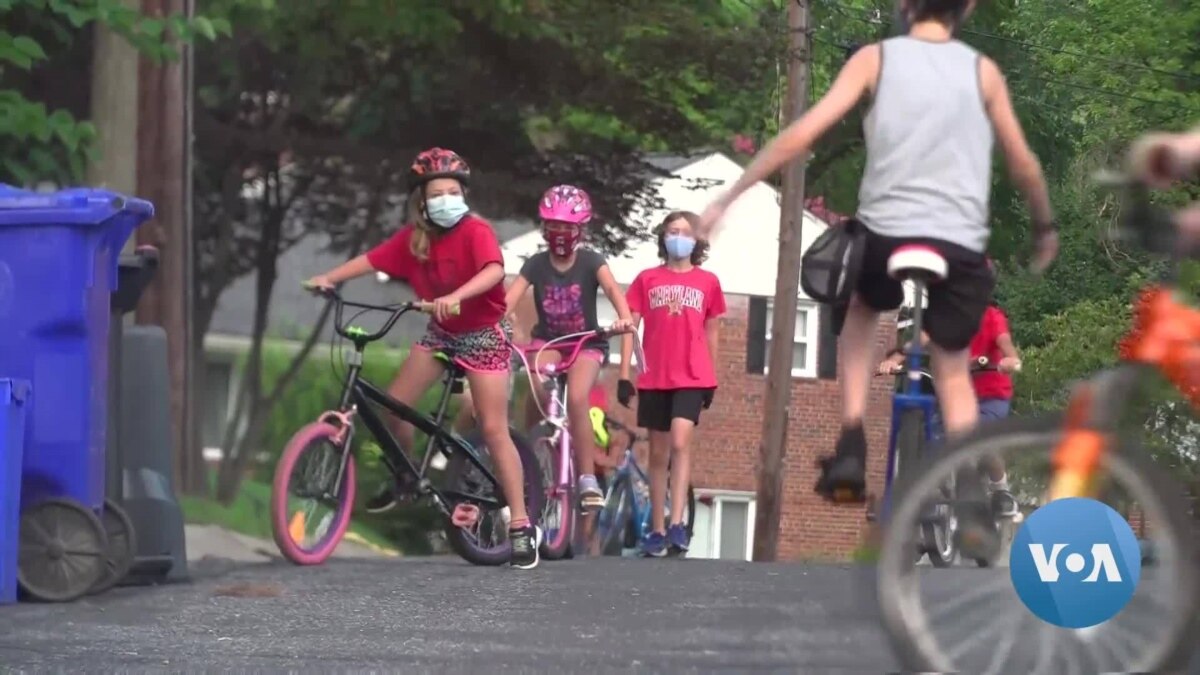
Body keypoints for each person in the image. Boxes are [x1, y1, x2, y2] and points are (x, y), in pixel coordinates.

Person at [697, 0, 1056, 502]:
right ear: (967, 8)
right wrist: (1045, 226)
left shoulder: (876, 58)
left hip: (887, 234)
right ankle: (971, 487)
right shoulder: (984, 72)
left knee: (863, 309)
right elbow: (1023, 163)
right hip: (958, 242)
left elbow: (801, 134)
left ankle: (850, 438)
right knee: (952, 363)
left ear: (905, 6)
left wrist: (726, 200)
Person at [305, 147, 541, 570]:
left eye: (455, 191)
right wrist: (329, 278)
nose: (448, 198)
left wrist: (455, 296)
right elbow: (370, 259)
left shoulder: (476, 231)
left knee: (492, 427)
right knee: (395, 408)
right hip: (442, 334)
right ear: (422, 202)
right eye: (438, 193)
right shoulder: (414, 241)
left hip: (484, 335)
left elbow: (492, 270)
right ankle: (407, 475)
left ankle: (521, 524)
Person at [504, 185, 634, 510]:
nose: (559, 232)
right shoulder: (535, 264)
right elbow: (507, 302)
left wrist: (623, 319)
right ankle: (529, 452)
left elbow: (618, 298)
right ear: (544, 227)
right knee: (535, 385)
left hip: (586, 343)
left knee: (577, 397)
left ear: (580, 228)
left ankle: (587, 479)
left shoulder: (592, 261)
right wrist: (495, 322)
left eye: (566, 226)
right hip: (548, 341)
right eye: (553, 225)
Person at [618, 211, 725, 557]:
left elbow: (712, 332)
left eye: (684, 232)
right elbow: (629, 327)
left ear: (696, 241)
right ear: (663, 238)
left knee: (681, 441)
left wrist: (713, 376)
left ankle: (678, 522)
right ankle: (658, 529)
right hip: (655, 374)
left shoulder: (708, 282)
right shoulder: (646, 279)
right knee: (659, 452)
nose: (678, 237)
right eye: (672, 231)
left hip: (692, 376)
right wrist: (624, 373)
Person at [879, 261, 1021, 515]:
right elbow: (918, 341)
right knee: (932, 434)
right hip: (953, 396)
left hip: (989, 395)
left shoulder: (992, 318)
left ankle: (1001, 489)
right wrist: (894, 360)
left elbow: (1005, 342)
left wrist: (1009, 359)